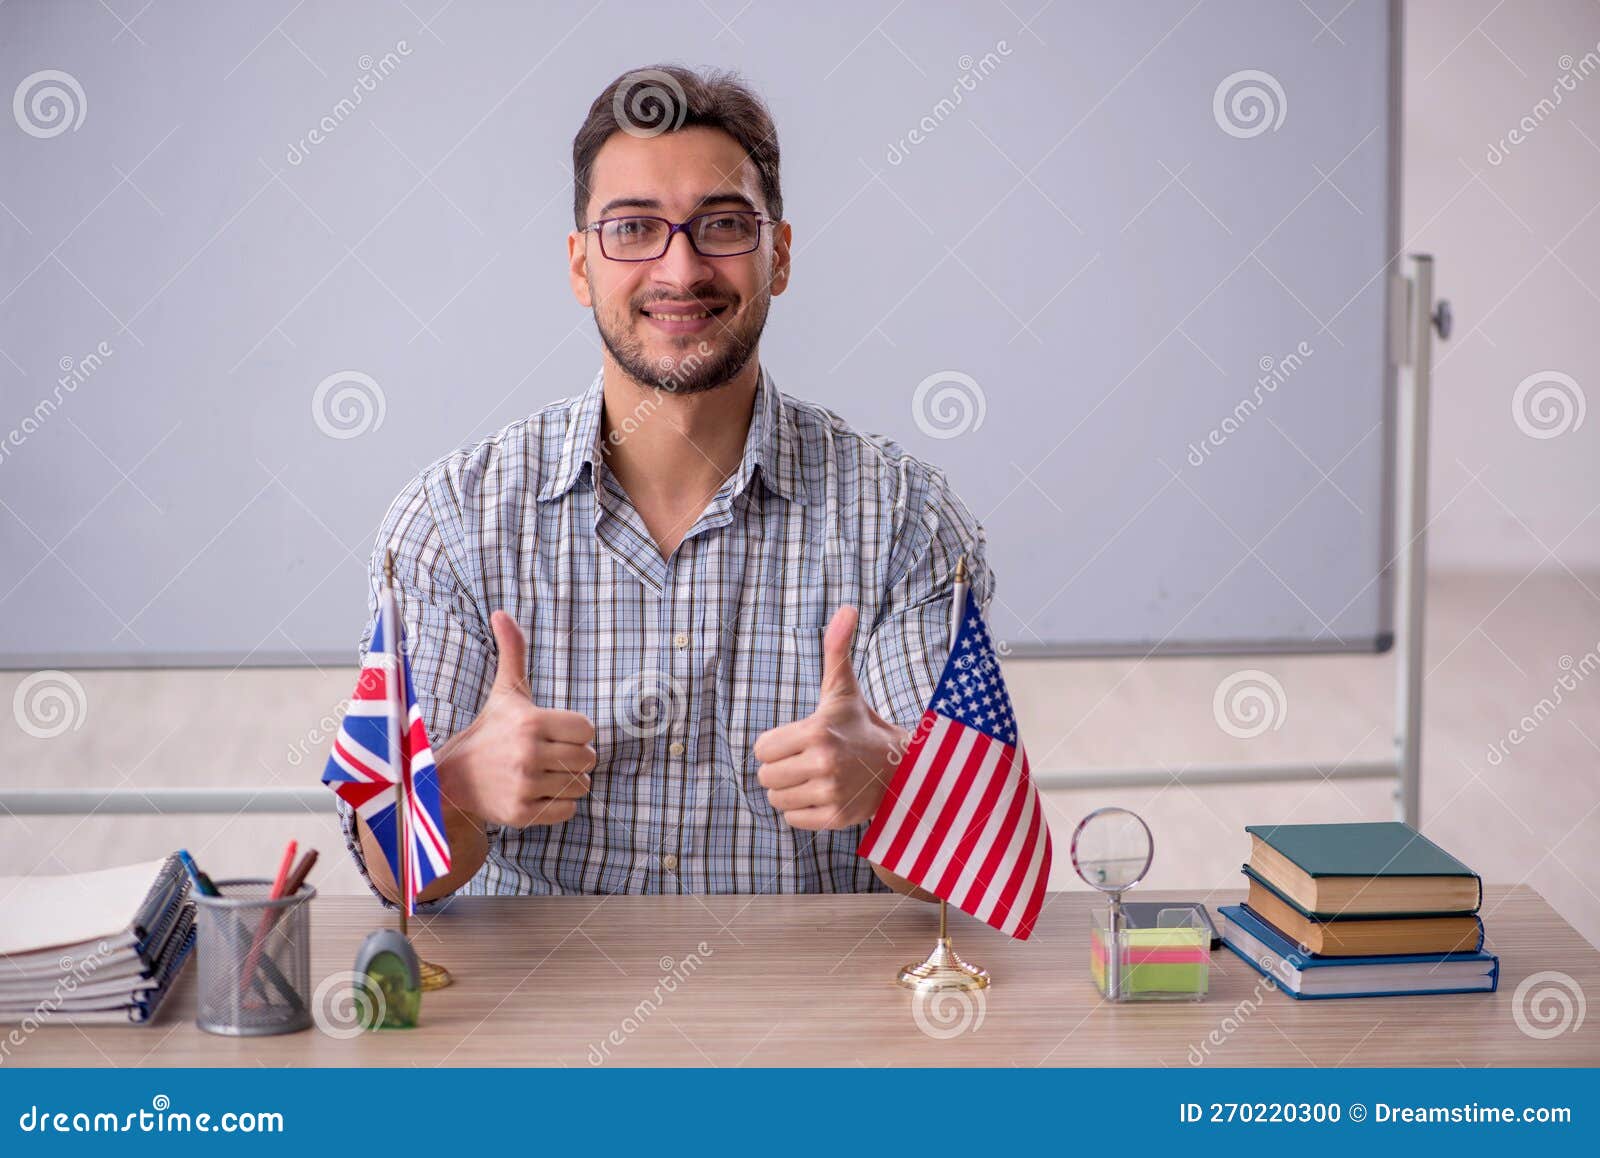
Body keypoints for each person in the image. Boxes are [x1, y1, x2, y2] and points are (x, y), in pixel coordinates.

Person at [341, 64, 993, 905]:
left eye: (722, 225)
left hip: (811, 989)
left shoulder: (906, 519)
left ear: (779, 255)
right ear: (581, 266)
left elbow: (957, 878)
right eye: (633, 228)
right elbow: (405, 882)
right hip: (541, 989)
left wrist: (898, 780)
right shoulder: (450, 520)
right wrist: (456, 783)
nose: (680, 270)